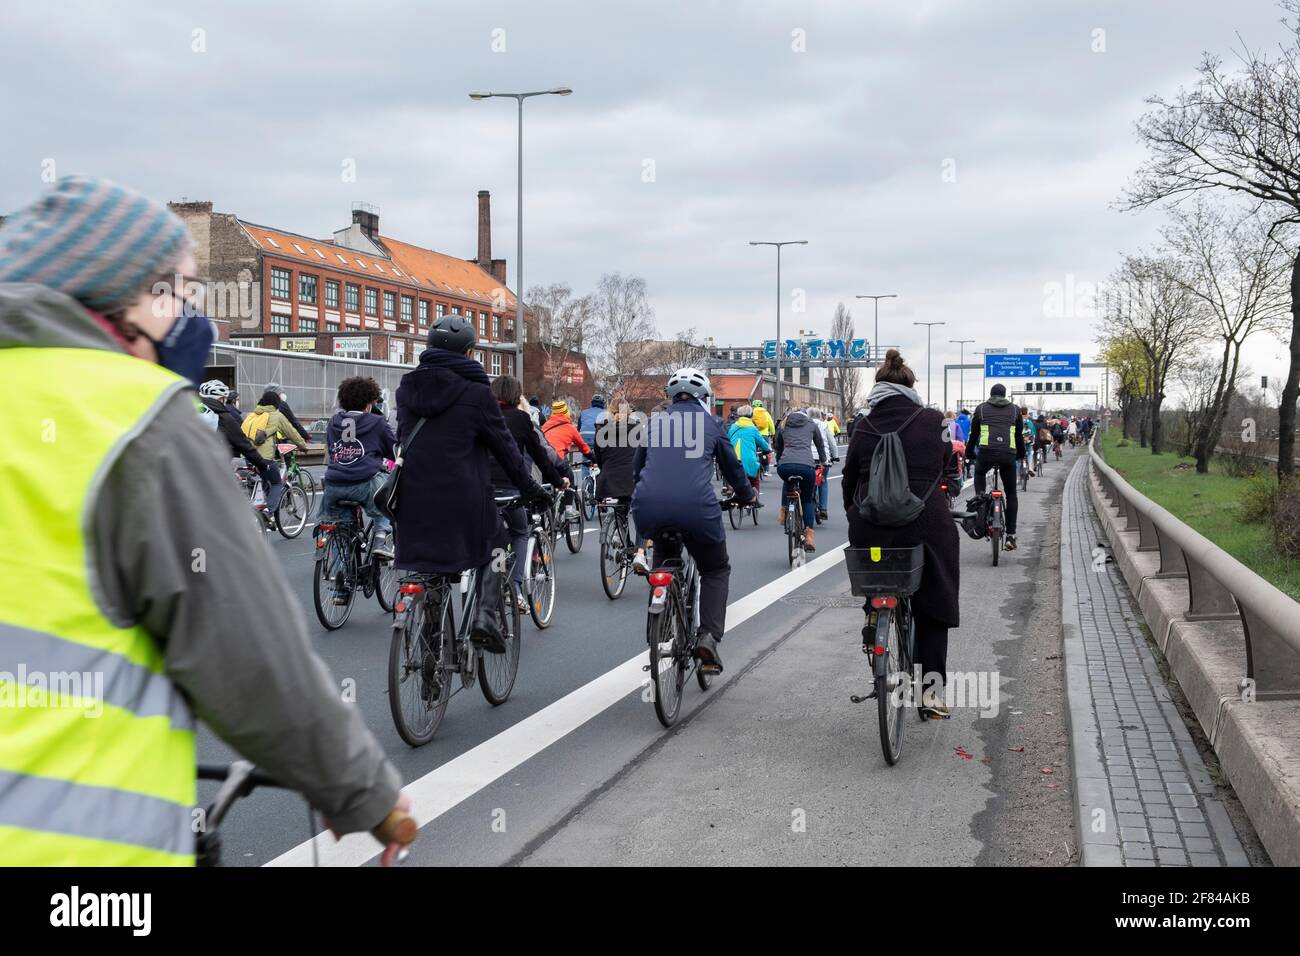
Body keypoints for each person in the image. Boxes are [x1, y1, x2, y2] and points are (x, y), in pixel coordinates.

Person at [0, 175, 408, 865]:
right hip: (77, 864)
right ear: (116, 296)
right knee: (377, 504)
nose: (195, 318)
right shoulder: (134, 418)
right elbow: (250, 656)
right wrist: (360, 790)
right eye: (176, 291)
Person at [394, 314, 549, 653]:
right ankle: (485, 617)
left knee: (428, 569)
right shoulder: (477, 394)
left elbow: (401, 438)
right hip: (462, 496)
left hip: (413, 497)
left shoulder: (406, 389)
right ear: (468, 353)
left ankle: (431, 658)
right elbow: (507, 450)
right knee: (498, 543)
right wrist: (532, 489)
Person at [842, 349, 961, 719]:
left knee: (876, 570)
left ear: (877, 389)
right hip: (925, 521)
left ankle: (873, 613)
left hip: (871, 523)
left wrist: (855, 513)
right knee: (935, 601)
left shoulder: (863, 423)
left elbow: (849, 478)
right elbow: (947, 465)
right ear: (911, 387)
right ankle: (931, 693)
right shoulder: (934, 420)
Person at [633, 368, 752, 674]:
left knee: (663, 560)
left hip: (649, 506)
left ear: (671, 398)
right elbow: (732, 468)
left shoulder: (654, 423)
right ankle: (709, 638)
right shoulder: (712, 424)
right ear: (703, 397)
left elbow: (639, 469)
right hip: (697, 509)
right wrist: (746, 494)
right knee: (715, 569)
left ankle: (659, 626)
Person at [490, 374, 564, 610]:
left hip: (481, 490)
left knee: (491, 537)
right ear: (515, 395)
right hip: (511, 490)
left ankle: (490, 576)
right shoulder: (522, 419)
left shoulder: (482, 418)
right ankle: (516, 588)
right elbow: (542, 459)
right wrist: (558, 481)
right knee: (520, 532)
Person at [320, 376, 397, 559]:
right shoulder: (376, 422)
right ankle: (380, 540)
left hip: (334, 484)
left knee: (341, 533)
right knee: (386, 503)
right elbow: (393, 449)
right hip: (364, 482)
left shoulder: (333, 421)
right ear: (369, 402)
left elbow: (332, 449)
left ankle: (339, 581)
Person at [966, 384, 1026, 550]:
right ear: (1005, 395)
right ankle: (1011, 536)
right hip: (1008, 455)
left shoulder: (981, 409)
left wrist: (969, 452)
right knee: (1011, 493)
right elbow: (1018, 436)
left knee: (979, 474)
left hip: (986, 453)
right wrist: (1020, 455)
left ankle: (981, 502)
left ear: (991, 395)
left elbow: (974, 435)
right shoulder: (1015, 410)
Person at [593, 400, 648, 570]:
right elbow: (645, 458)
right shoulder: (638, 430)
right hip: (632, 480)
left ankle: (618, 532)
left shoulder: (601, 431)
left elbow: (599, 458)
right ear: (630, 413)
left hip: (608, 481)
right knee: (643, 513)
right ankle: (640, 553)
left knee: (620, 507)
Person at [242, 389, 309, 522]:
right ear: (276, 403)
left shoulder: (252, 415)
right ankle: (268, 512)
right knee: (277, 483)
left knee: (266, 480)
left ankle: (266, 517)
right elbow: (292, 433)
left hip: (247, 456)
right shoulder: (277, 416)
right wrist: (303, 446)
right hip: (264, 458)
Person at [775, 405, 828, 551]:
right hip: (806, 466)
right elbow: (820, 444)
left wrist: (779, 460)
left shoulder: (783, 423)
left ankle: (784, 511)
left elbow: (778, 446)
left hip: (785, 466)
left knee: (788, 481)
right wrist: (823, 460)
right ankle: (809, 535)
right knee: (806, 499)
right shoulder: (811, 423)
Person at [199, 378, 265, 471]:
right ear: (221, 399)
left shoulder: (191, 411)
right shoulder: (224, 417)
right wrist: (262, 464)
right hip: (211, 468)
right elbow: (243, 444)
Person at [542, 399, 592, 519]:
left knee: (545, 486)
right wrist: (594, 459)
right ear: (566, 413)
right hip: (557, 460)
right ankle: (569, 509)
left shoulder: (544, 427)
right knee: (569, 475)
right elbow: (584, 448)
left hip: (542, 461)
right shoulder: (570, 428)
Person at [727, 404, 769, 506]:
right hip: (748, 459)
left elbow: (727, 440)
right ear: (751, 416)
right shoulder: (753, 428)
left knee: (734, 475)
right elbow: (763, 444)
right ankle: (755, 499)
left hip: (732, 458)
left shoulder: (733, 427)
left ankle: (731, 486)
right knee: (754, 479)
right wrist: (767, 449)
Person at [751, 399, 776, 473]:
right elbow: (771, 424)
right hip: (764, 435)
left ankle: (754, 467)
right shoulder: (766, 413)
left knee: (753, 451)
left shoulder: (752, 413)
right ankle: (766, 470)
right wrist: (772, 433)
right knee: (766, 451)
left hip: (754, 435)